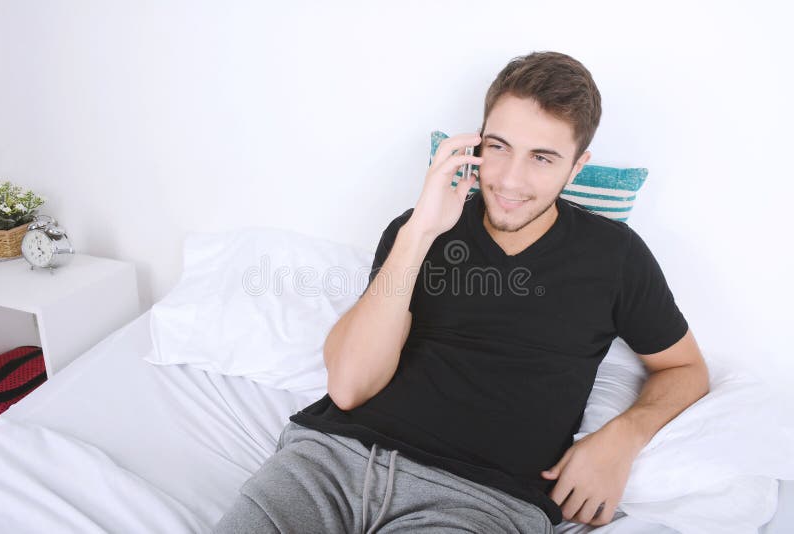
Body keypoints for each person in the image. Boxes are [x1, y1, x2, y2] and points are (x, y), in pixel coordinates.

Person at [213, 50, 710, 534]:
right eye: (498, 147)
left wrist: (620, 439)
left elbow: (685, 369)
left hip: (479, 500)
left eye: (542, 157)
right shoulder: (419, 229)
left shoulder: (615, 256)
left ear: (577, 167)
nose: (510, 180)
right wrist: (420, 233)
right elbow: (349, 386)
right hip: (330, 460)